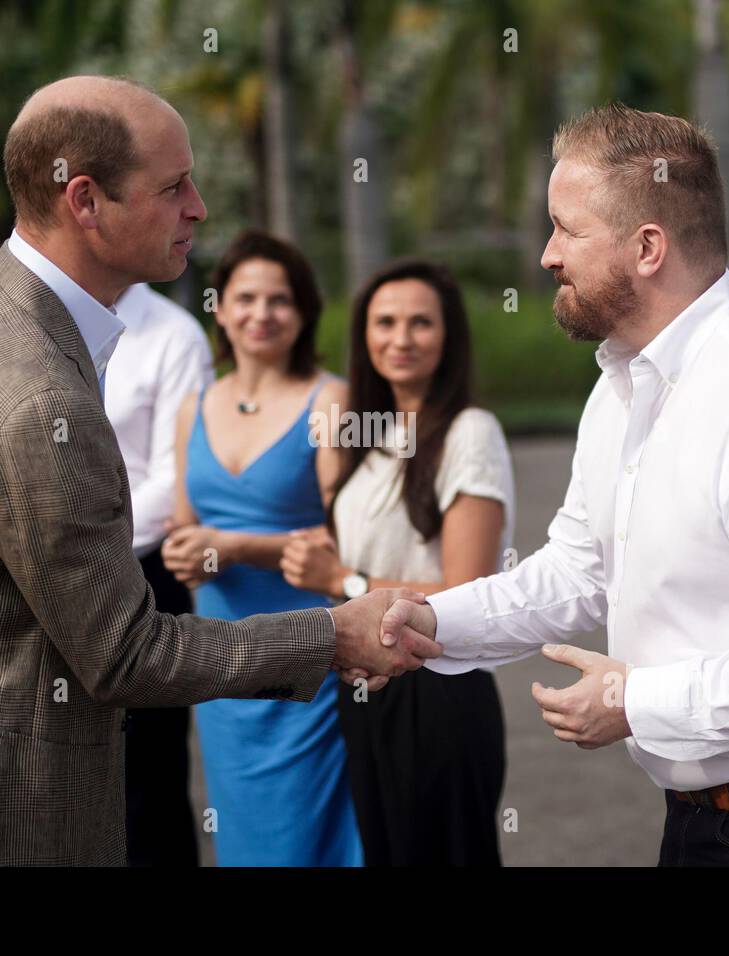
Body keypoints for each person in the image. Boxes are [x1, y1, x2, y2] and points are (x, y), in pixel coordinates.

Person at [0, 76, 439, 867]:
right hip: (7, 816)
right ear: (85, 201)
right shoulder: (39, 402)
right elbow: (125, 655)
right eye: (173, 187)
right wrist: (330, 633)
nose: (198, 207)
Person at [382, 102, 729, 867]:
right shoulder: (621, 384)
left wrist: (635, 702)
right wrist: (427, 622)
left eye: (567, 229)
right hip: (707, 821)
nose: (546, 255)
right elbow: (580, 569)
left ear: (647, 247)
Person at [280, 259, 513, 865]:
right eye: (384, 322)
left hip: (438, 692)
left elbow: (468, 589)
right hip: (365, 685)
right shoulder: (365, 435)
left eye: (420, 323)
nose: (400, 338)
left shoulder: (470, 432)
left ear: (449, 335)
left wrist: (345, 582)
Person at [163, 229, 362, 866]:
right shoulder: (193, 405)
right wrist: (185, 550)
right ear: (220, 308)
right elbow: (183, 526)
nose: (261, 313)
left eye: (279, 300)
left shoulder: (330, 400)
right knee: (244, 837)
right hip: (220, 660)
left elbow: (347, 539)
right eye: (245, 298)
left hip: (307, 655)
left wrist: (238, 546)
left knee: (309, 835)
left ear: (302, 312)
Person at [104, 281, 213, 866]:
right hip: (38, 576)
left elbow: (175, 479)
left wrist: (80, 546)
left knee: (147, 775)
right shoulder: (33, 319)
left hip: (144, 575)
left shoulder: (174, 335)